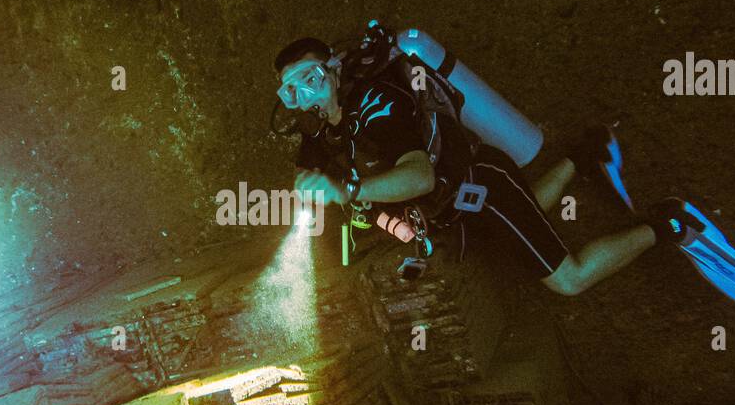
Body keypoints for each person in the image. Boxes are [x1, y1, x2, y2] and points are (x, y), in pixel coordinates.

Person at [274, 34, 671, 296]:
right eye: (292, 90)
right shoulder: (321, 135)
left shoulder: (379, 106)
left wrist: (348, 190)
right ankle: (585, 156)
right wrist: (306, 189)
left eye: (312, 79)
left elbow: (420, 176)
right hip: (455, 206)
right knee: (528, 207)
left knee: (570, 279)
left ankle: (665, 226)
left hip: (483, 183)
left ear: (335, 69)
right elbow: (308, 171)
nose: (306, 95)